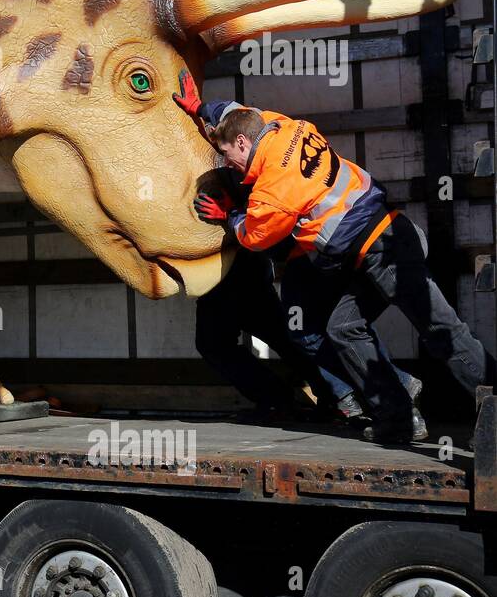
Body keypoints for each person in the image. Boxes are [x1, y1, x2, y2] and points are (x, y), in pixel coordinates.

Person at [173, 74, 491, 444]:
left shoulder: (272, 187)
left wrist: (226, 215)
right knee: (342, 327)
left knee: (443, 332)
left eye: (227, 155)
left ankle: (487, 408)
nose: (227, 165)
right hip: (380, 242)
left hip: (383, 251)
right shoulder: (280, 126)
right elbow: (233, 112)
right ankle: (399, 414)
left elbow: (254, 237)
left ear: (242, 142)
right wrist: (200, 110)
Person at [194, 170, 420, 425]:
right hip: (283, 255)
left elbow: (268, 221)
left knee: (304, 332)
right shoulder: (261, 150)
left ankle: (368, 394)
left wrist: (231, 215)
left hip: (295, 253)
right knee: (296, 332)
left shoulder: (256, 156)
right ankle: (344, 396)